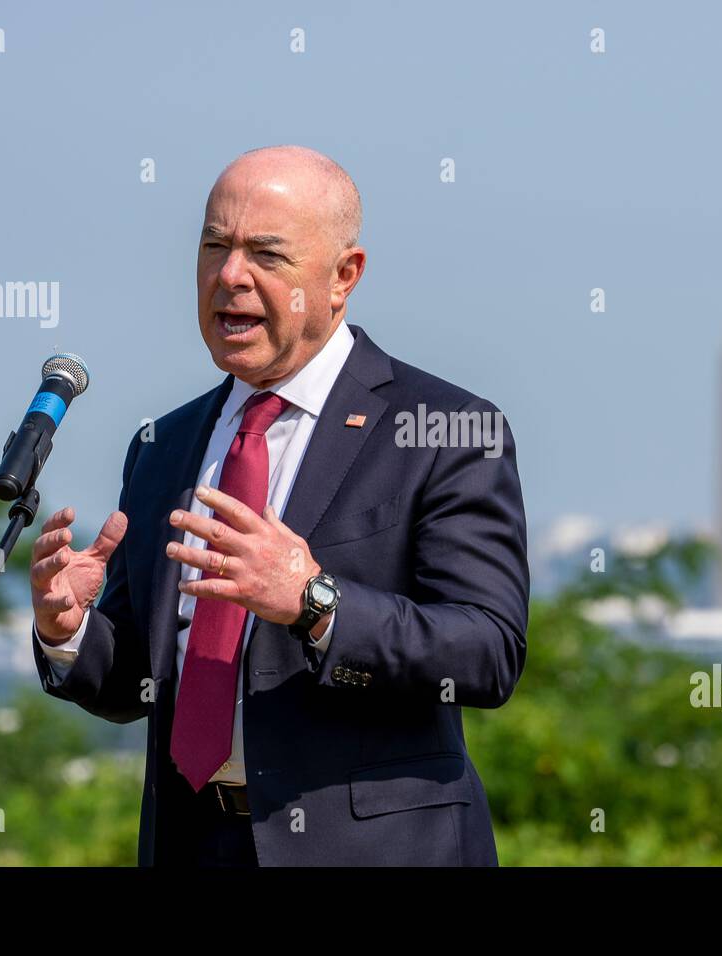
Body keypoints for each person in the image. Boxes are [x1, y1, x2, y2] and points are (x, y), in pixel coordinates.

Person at [27, 145, 529, 866]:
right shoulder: (163, 445)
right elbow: (142, 677)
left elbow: (487, 651)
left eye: (266, 254)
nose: (230, 275)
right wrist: (71, 632)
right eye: (214, 246)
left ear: (343, 276)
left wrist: (314, 601)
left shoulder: (444, 429)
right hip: (194, 846)